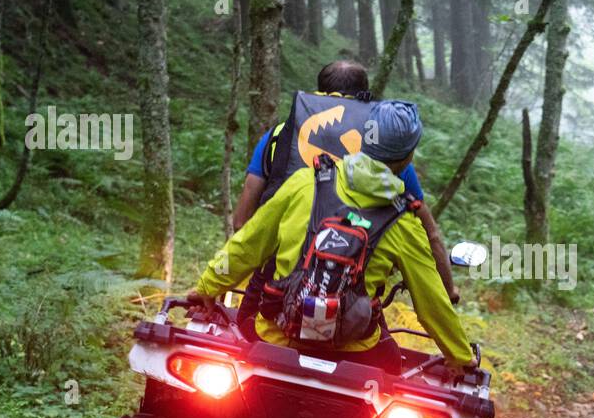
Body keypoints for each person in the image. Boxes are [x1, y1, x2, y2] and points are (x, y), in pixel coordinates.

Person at [189, 100, 475, 377]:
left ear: (363, 139)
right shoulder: (404, 222)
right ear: (408, 157)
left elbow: (247, 245)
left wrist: (207, 287)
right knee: (392, 364)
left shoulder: (305, 182)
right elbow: (432, 302)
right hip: (355, 354)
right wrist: (460, 356)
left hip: (276, 338)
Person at [231, 59, 459, 304]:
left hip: (273, 286)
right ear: (365, 98)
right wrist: (449, 290)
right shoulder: (385, 152)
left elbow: (241, 221)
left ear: (320, 93)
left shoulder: (279, 136)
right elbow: (430, 233)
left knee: (248, 324)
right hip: (351, 297)